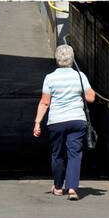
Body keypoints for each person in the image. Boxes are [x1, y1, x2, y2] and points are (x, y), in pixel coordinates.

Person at [33, 44, 95, 199]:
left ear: (56, 60)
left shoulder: (50, 78)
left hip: (56, 121)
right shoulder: (80, 76)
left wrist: (37, 123)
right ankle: (73, 188)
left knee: (58, 154)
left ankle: (58, 187)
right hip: (76, 120)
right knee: (75, 154)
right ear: (72, 59)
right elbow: (90, 97)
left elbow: (45, 103)